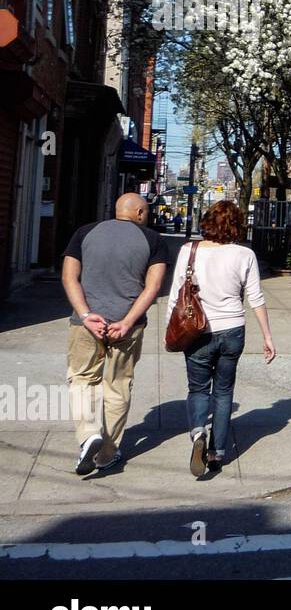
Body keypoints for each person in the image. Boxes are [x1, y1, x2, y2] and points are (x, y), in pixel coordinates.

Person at [167, 200, 276, 477]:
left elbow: (175, 295)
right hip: (233, 331)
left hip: (197, 331)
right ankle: (216, 453)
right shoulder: (244, 255)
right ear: (238, 225)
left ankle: (198, 433)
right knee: (224, 391)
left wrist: (172, 331)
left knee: (198, 389)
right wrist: (267, 336)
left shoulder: (188, 250)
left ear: (207, 222)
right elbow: (256, 299)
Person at [61, 193, 169, 475]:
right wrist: (128, 321)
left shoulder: (85, 232)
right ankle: (107, 454)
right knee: (118, 384)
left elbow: (68, 277)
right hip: (128, 327)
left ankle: (88, 435)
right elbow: (153, 286)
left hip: (86, 324)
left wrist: (85, 315)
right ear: (141, 213)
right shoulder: (153, 240)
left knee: (83, 379)